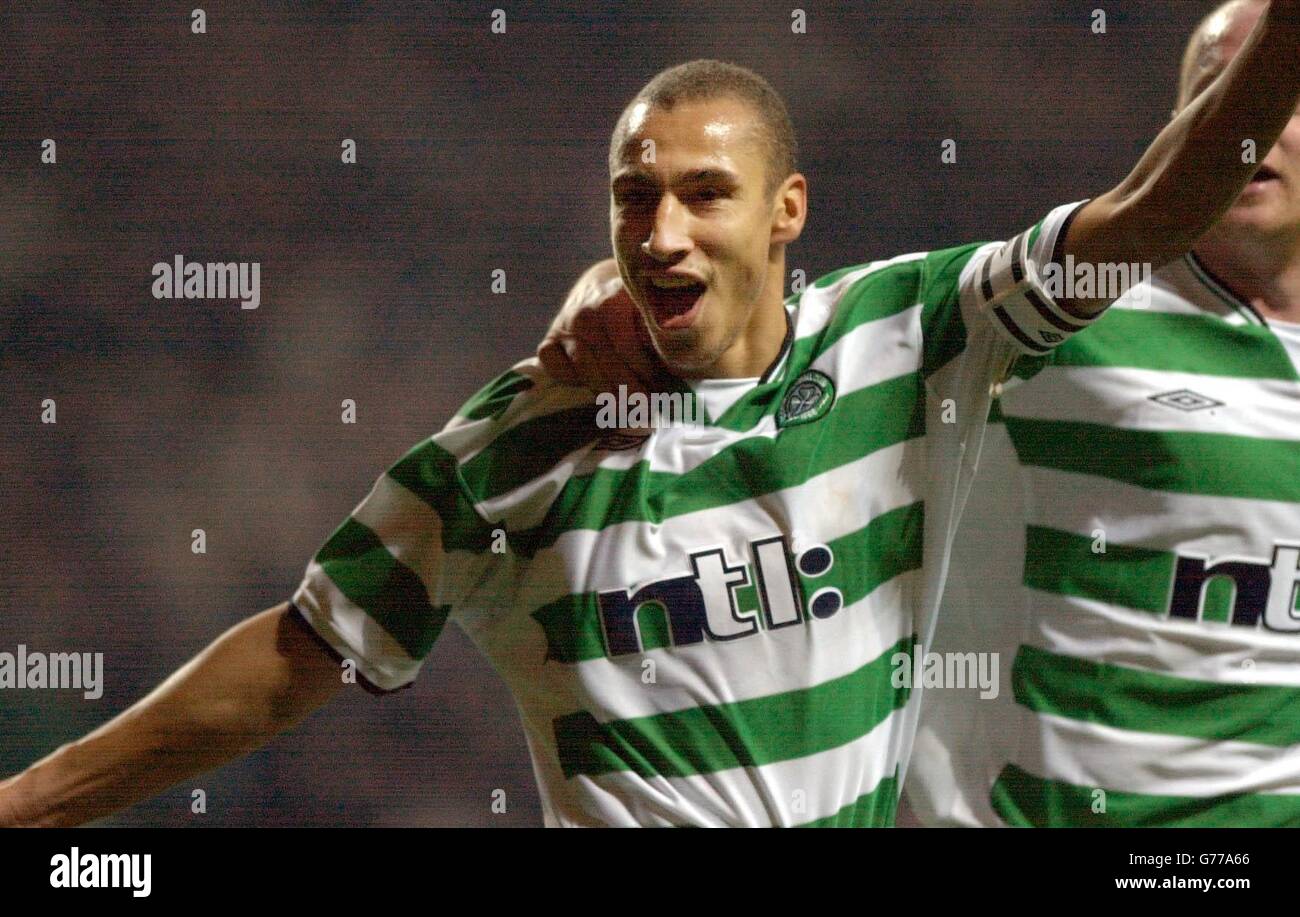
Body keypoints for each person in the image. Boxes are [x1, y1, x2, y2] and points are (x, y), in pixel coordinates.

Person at [4, 2, 1299, 826]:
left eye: (703, 194)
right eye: (634, 200)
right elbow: (303, 650)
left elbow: (1147, 215)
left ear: (787, 212)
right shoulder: (531, 434)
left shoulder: (913, 344)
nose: (661, 233)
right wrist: (31, 804)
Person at [902, 0, 1300, 827]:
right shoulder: (1065, 315)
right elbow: (798, 346)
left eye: (1276, 93)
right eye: (1214, 91)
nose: (1245, 122)